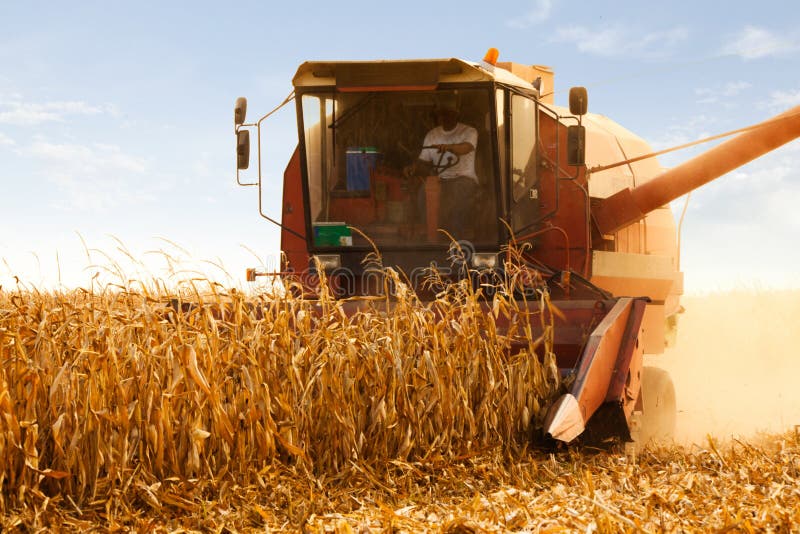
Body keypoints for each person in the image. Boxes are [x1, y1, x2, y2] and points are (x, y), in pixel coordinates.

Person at [405, 94, 479, 239]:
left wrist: (450, 147)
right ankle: (430, 232)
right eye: (441, 114)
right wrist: (412, 168)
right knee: (423, 193)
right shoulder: (432, 135)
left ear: (456, 115)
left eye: (448, 114)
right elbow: (423, 161)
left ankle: (455, 236)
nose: (444, 117)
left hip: (464, 178)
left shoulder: (469, 132)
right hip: (441, 179)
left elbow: (466, 148)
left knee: (456, 196)